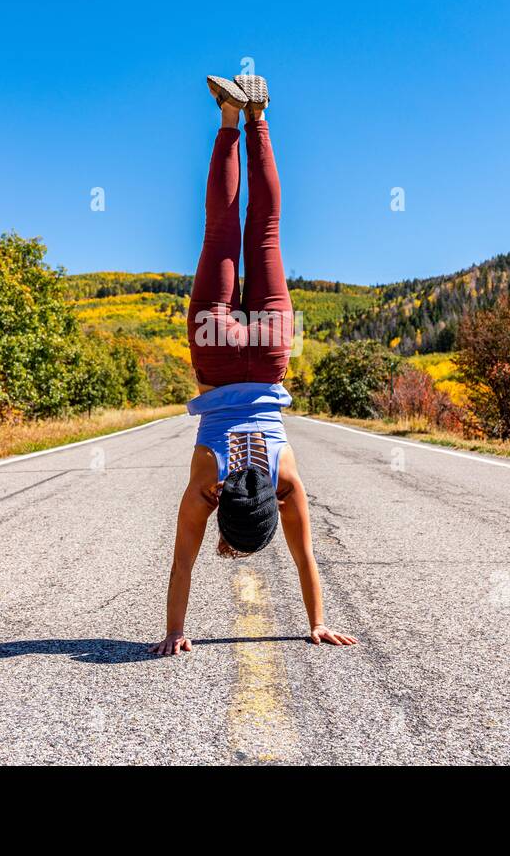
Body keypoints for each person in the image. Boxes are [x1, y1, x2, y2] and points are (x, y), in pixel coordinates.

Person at [149, 74, 358, 656]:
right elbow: (179, 568)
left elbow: (305, 558)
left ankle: (258, 115)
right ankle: (227, 118)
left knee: (264, 233)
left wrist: (317, 620)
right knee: (222, 235)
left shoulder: (284, 483)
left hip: (268, 352)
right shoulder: (204, 488)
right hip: (214, 351)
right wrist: (174, 633)